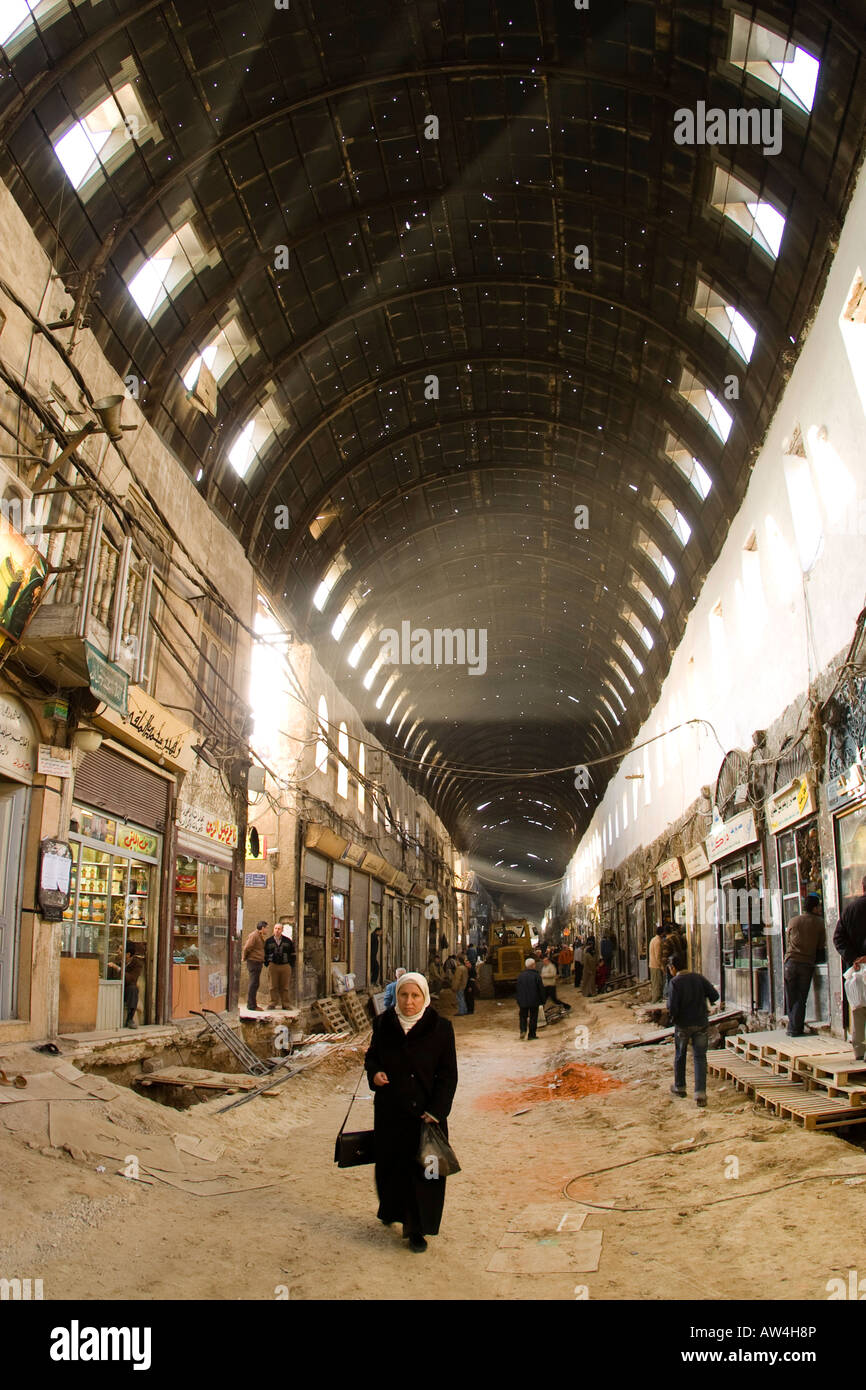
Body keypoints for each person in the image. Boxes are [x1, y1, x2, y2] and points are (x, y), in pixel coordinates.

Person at [364, 972, 458, 1253]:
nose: (409, 1002)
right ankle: (392, 1210)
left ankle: (418, 1229)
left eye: (415, 996)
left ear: (425, 998)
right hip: (391, 1113)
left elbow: (448, 1075)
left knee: (426, 1175)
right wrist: (375, 1074)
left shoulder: (440, 1029)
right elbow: (372, 1057)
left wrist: (437, 1110)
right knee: (391, 1168)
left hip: (425, 1118)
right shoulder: (384, 1024)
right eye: (404, 995)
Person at [668, 954, 719, 1107]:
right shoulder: (698, 978)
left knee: (680, 1055)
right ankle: (700, 1094)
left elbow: (672, 1007)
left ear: (673, 968)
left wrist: (674, 1018)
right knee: (700, 1058)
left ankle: (680, 1087)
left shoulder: (675, 982)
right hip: (700, 1023)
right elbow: (715, 995)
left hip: (683, 1025)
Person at [833, 876, 866, 1058]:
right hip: (860, 966)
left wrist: (854, 958)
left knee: (859, 1009)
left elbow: (838, 938)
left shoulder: (850, 909)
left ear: (862, 888)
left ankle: (859, 1051)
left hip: (857, 969)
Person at [784, 893, 825, 1037]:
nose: (820, 908)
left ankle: (792, 1027)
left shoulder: (793, 921)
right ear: (814, 908)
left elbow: (788, 940)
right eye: (819, 906)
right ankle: (795, 1029)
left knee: (791, 996)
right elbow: (821, 947)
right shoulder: (820, 923)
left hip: (790, 962)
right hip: (806, 963)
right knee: (801, 998)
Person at [264, 920, 296, 1008]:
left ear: (282, 930)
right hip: (273, 965)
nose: (277, 930)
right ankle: (272, 1003)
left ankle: (285, 1004)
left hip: (285, 966)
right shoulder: (269, 941)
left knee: (285, 986)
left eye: (279, 929)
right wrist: (267, 963)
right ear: (273, 930)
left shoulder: (288, 941)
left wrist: (290, 965)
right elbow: (265, 953)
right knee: (272, 986)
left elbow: (293, 954)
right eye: (275, 928)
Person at [516, 957, 547, 1039]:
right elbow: (541, 989)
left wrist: (518, 1000)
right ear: (533, 965)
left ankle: (523, 1030)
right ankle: (531, 1035)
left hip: (523, 1001)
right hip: (534, 1001)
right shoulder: (536, 976)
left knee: (523, 1016)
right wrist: (543, 1001)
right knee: (533, 1018)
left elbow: (517, 989)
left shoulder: (520, 976)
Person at [242, 919, 268, 1010]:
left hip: (257, 962)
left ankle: (253, 1004)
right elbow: (247, 947)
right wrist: (244, 958)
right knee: (253, 983)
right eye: (266, 928)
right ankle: (251, 1005)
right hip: (253, 962)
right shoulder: (254, 935)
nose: (267, 930)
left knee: (255, 983)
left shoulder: (259, 936)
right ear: (262, 928)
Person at [123, 946, 143, 1028]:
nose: (117, 952)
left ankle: (130, 1019)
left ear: (128, 954)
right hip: (114, 987)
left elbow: (132, 979)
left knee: (133, 989)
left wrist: (119, 969)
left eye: (120, 950)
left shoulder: (137, 964)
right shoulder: (115, 959)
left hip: (127, 989)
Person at [649, 924, 666, 1003]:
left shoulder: (653, 939)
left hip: (653, 965)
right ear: (662, 933)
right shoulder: (658, 941)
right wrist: (662, 967)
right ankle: (654, 1004)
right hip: (656, 966)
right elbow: (658, 956)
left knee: (656, 985)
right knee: (658, 987)